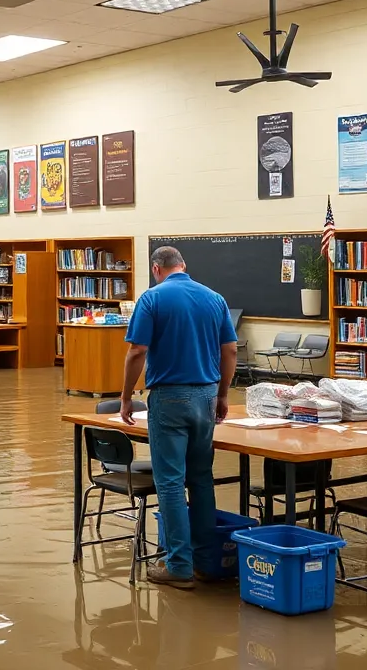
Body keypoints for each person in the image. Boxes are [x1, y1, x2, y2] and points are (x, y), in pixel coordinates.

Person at [120, 246, 237, 589]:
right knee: (201, 479)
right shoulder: (215, 298)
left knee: (171, 482)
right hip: (206, 396)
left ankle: (179, 566)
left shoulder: (152, 299)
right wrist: (223, 395)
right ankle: (206, 563)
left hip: (169, 398)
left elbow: (137, 351)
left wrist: (126, 397)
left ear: (156, 269)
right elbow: (230, 350)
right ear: (183, 266)